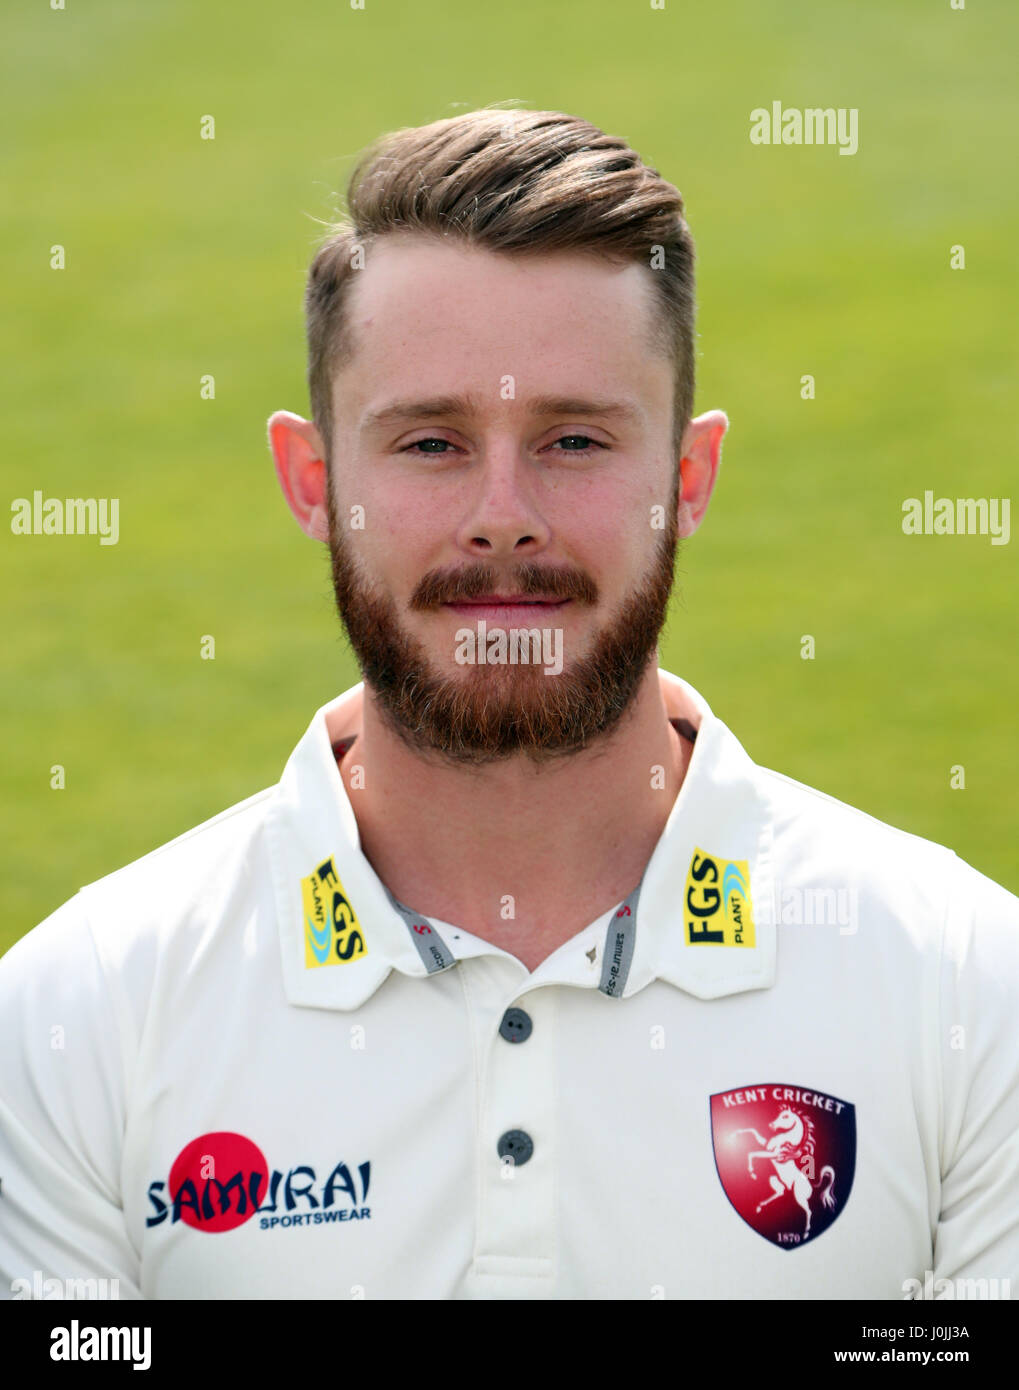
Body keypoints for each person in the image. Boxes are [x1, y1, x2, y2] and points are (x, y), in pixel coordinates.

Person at [1, 106, 1017, 1302]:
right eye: (429, 443)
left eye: (575, 439)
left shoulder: (967, 986)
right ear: (314, 483)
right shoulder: (74, 1017)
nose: (502, 514)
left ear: (684, 480)